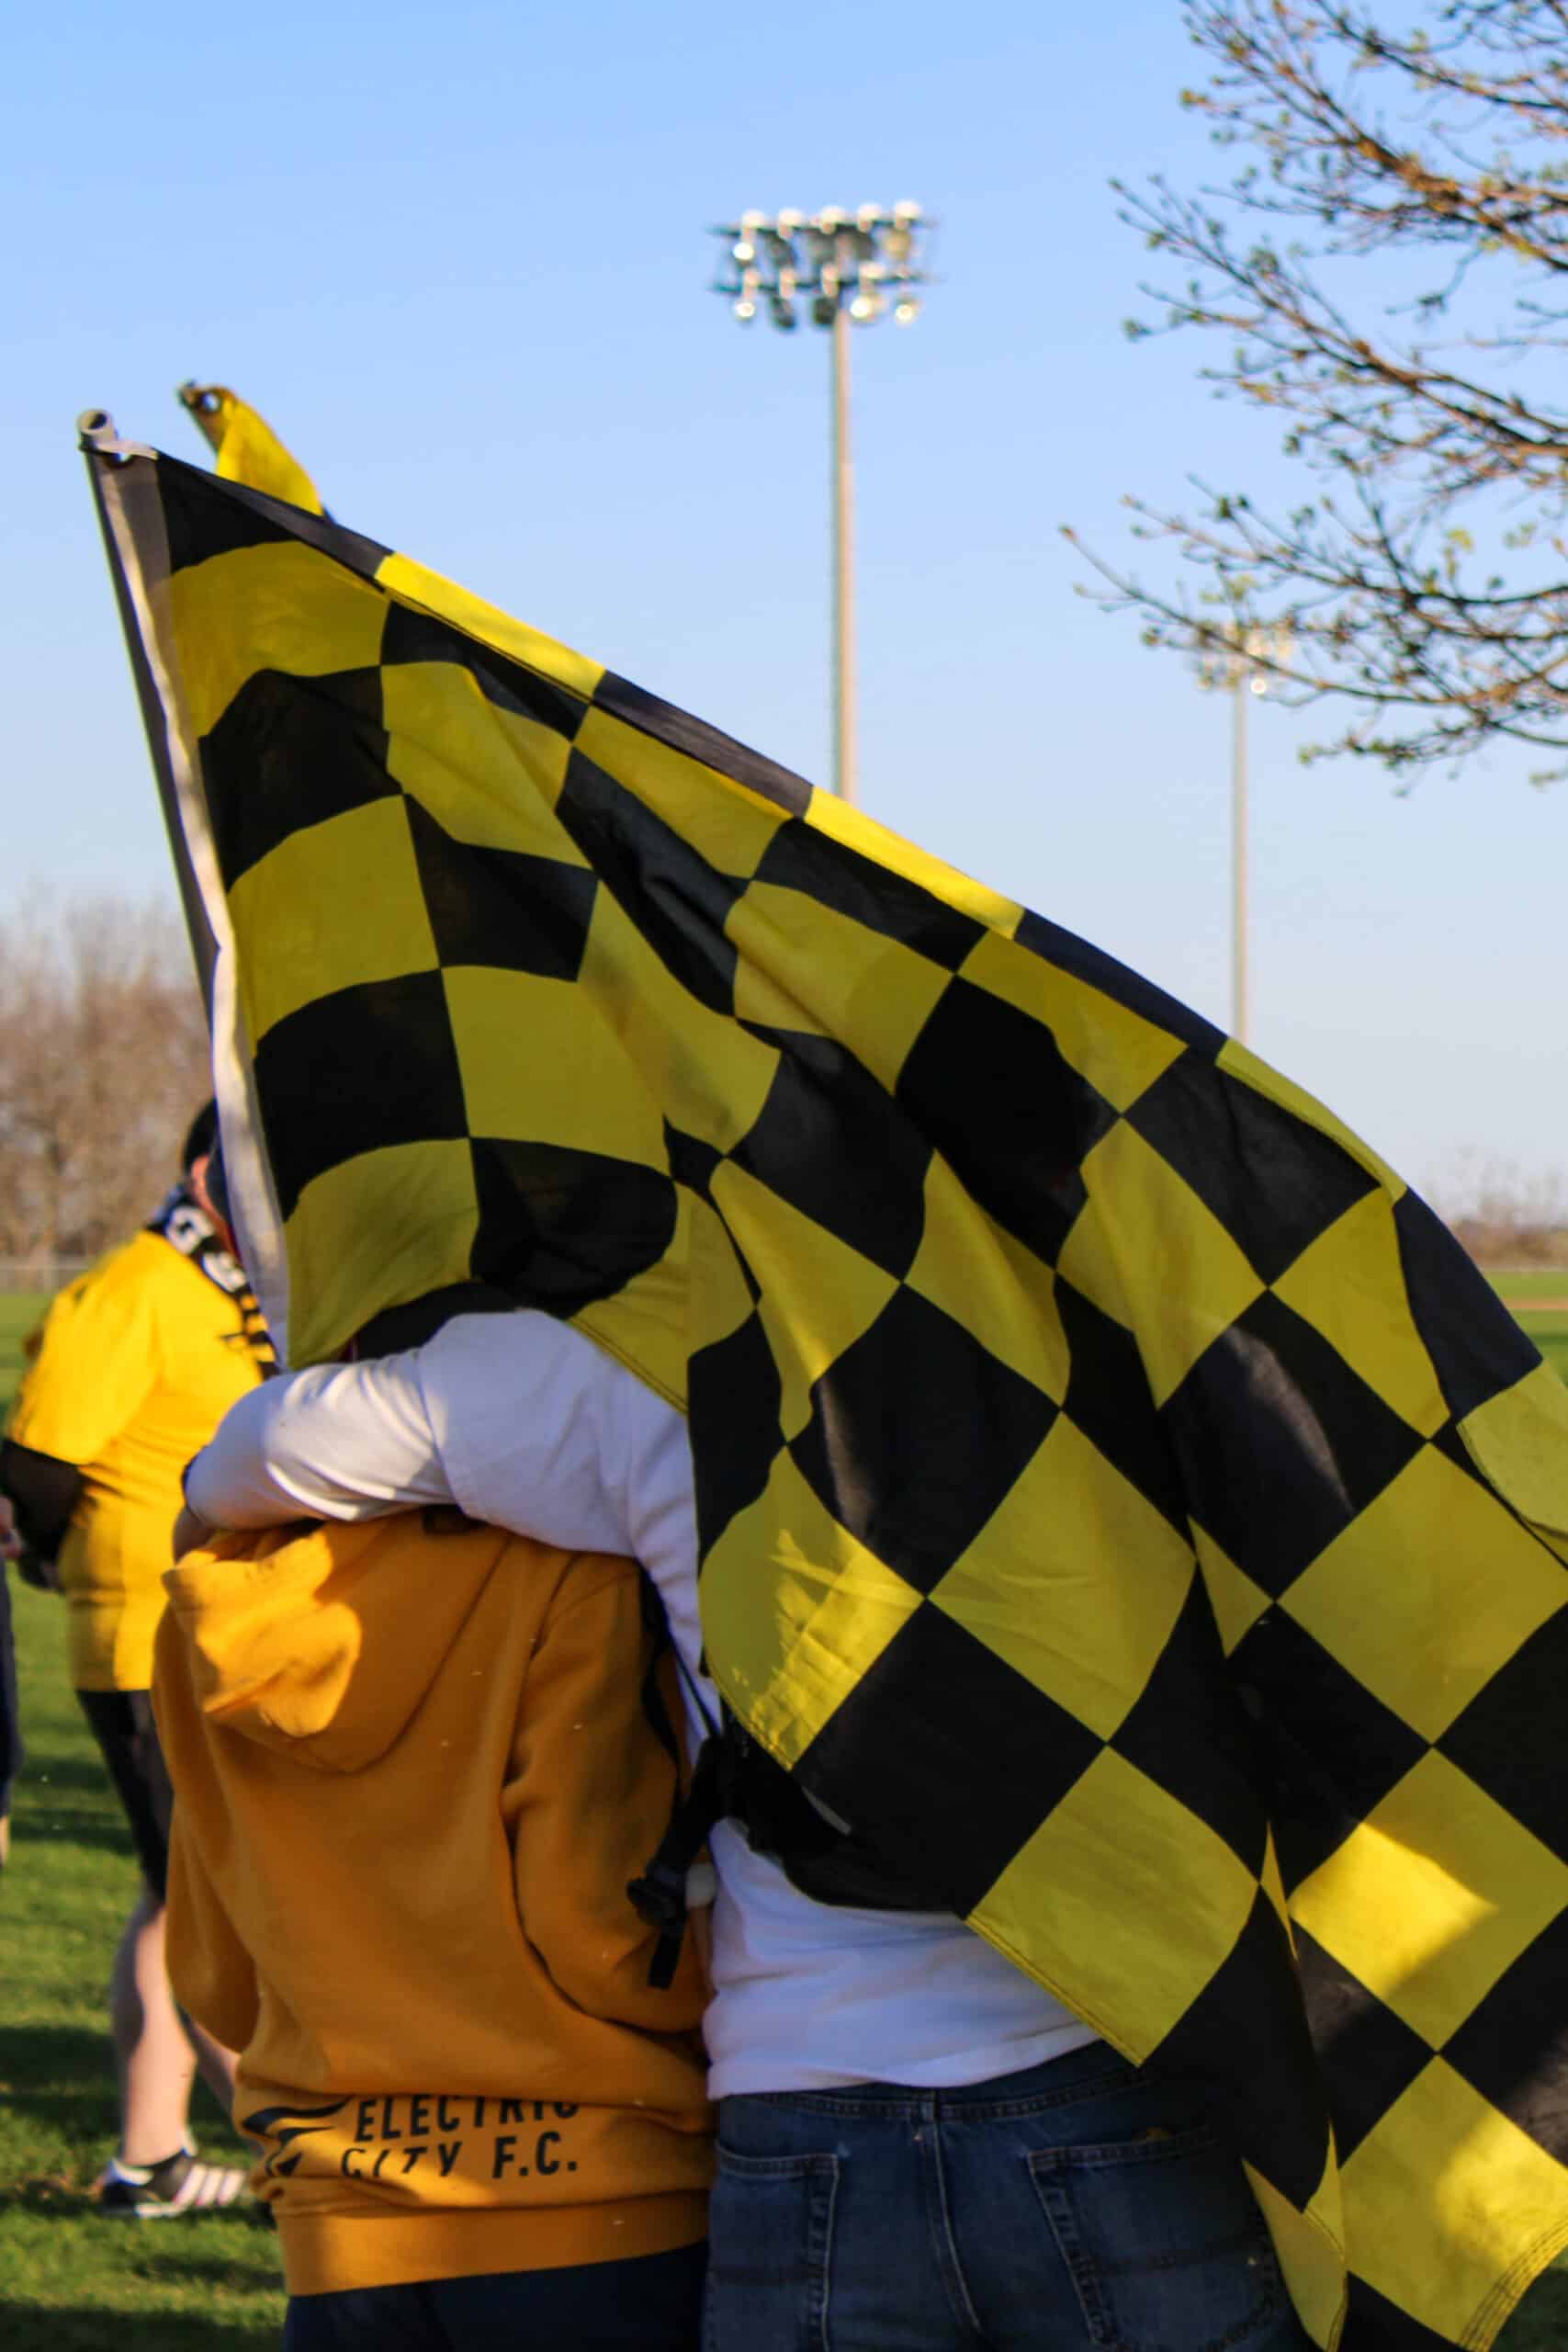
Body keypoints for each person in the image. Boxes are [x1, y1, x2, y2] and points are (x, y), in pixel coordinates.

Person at [182, 1300, 1312, 2352]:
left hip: (801, 2082)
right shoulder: (1117, 1325)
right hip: (1103, 2039)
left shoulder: (656, 1348)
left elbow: (255, 1455)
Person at [156, 1459, 712, 2349]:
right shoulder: (574, 1573)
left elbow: (216, 1977)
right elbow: (601, 1935)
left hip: (338, 2219)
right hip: (592, 2199)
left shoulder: (224, 1595)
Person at [0, 1105, 276, 2215]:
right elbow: (34, 1464)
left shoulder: (232, 1287)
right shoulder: (132, 1287)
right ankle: (306, 2153)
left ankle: (148, 2159)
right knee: (208, 1904)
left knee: (175, 1898)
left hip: (221, 1637)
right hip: (140, 1642)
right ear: (211, 1173)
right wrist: (65, 1565)